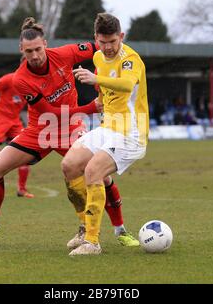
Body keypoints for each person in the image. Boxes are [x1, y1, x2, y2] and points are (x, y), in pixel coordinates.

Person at [0, 17, 140, 248]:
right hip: (39, 130)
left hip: (71, 127)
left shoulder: (65, 54)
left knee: (101, 176)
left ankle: (120, 231)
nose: (34, 56)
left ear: (45, 43)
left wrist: (104, 75)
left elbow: (100, 47)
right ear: (21, 50)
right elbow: (51, 113)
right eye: (29, 51)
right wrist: (90, 108)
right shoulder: (20, 79)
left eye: (38, 49)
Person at [62, 13, 149, 255]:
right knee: (69, 165)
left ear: (121, 36)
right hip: (108, 127)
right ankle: (84, 227)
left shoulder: (130, 58)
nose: (108, 47)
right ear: (95, 39)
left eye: (113, 41)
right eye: (103, 42)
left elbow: (126, 84)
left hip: (131, 132)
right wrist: (99, 98)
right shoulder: (97, 56)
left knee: (92, 171)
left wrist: (94, 78)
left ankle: (93, 241)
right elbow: (103, 86)